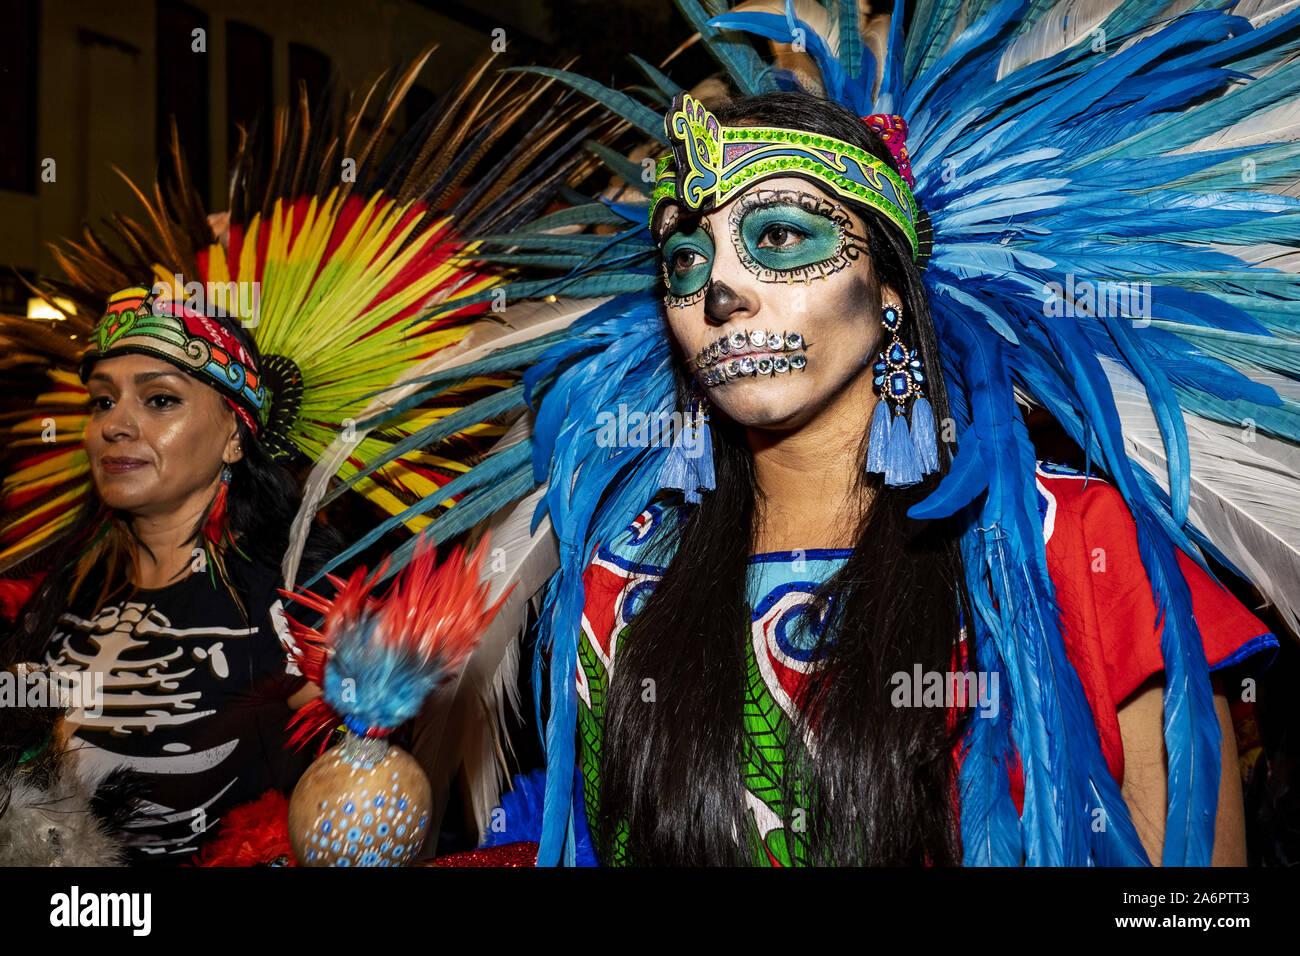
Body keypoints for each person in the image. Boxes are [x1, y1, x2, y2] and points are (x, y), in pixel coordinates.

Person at [6, 287, 325, 864]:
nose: (115, 425)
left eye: (159, 400)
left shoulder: (296, 611)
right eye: (102, 402)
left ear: (234, 435)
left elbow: (373, 798)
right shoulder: (50, 598)